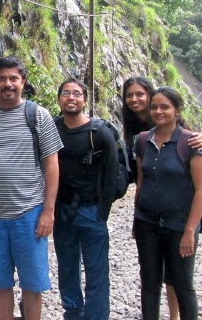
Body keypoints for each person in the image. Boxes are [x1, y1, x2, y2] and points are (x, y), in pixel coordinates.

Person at [0, 57, 62, 320]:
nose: (8, 84)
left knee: (33, 283)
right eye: (2, 79)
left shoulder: (38, 116)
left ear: (23, 82)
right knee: (0, 283)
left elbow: (52, 165)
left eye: (13, 79)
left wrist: (48, 212)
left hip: (30, 213)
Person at [121, 77, 202, 320]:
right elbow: (141, 181)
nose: (158, 111)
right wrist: (136, 220)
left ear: (177, 110)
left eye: (165, 107)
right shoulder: (142, 140)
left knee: (182, 283)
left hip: (179, 225)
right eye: (155, 108)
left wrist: (190, 230)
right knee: (149, 282)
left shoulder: (191, 142)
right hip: (147, 222)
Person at [52, 78, 122, 320]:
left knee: (96, 270)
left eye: (77, 94)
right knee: (67, 268)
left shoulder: (99, 132)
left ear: (85, 99)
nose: (71, 98)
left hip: (91, 211)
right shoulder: (51, 128)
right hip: (62, 212)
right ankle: (72, 313)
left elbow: (112, 173)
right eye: (66, 93)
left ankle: (96, 316)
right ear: (59, 98)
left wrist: (102, 211)